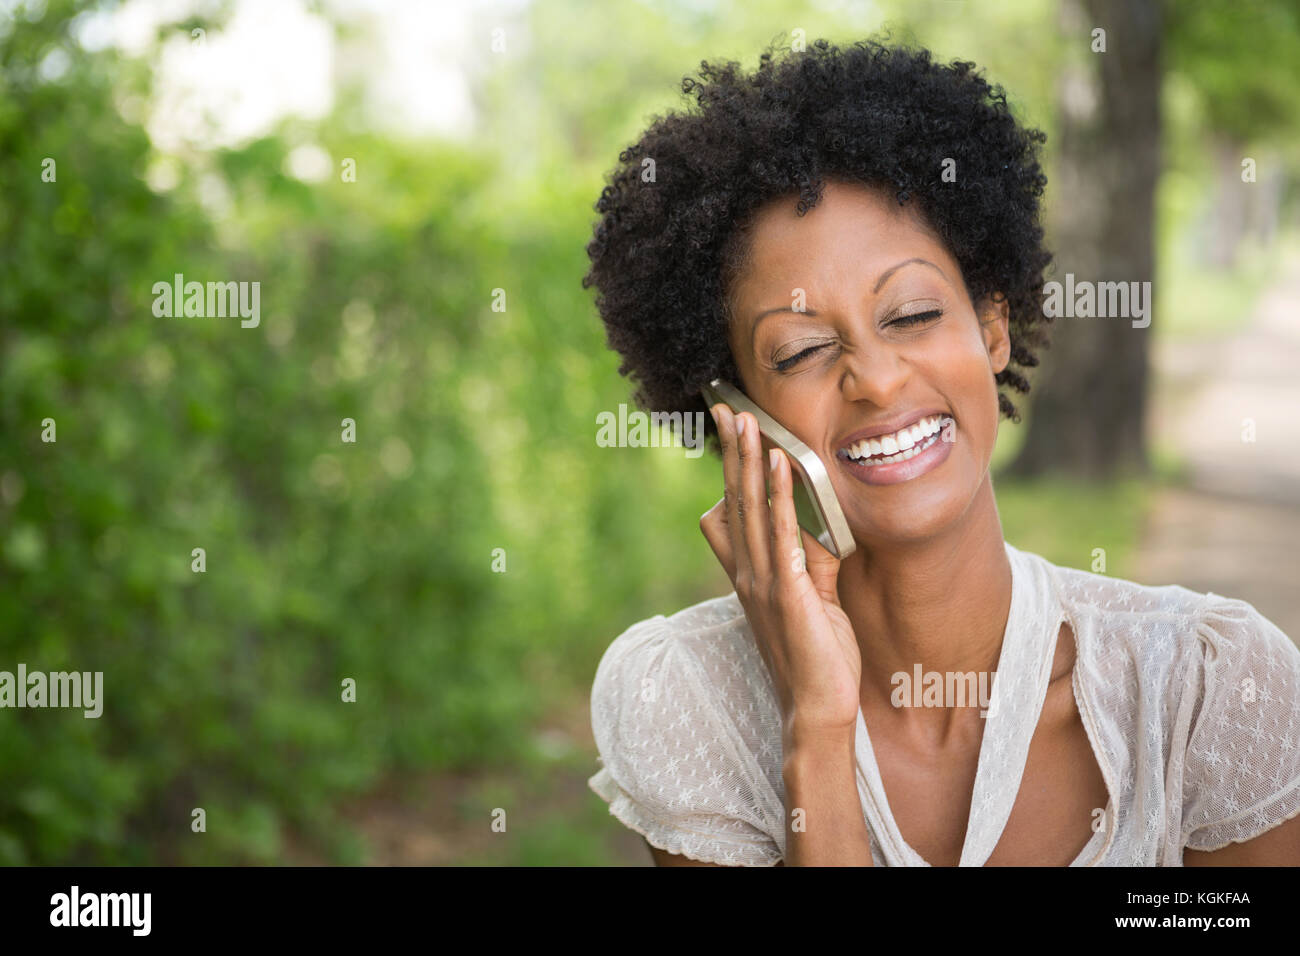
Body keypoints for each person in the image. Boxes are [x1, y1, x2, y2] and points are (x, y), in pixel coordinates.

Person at [580, 38, 1300, 866]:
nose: (878, 381)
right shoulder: (690, 701)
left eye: (913, 314)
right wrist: (815, 730)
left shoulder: (1209, 690)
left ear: (992, 327)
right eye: (802, 349)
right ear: (733, 412)